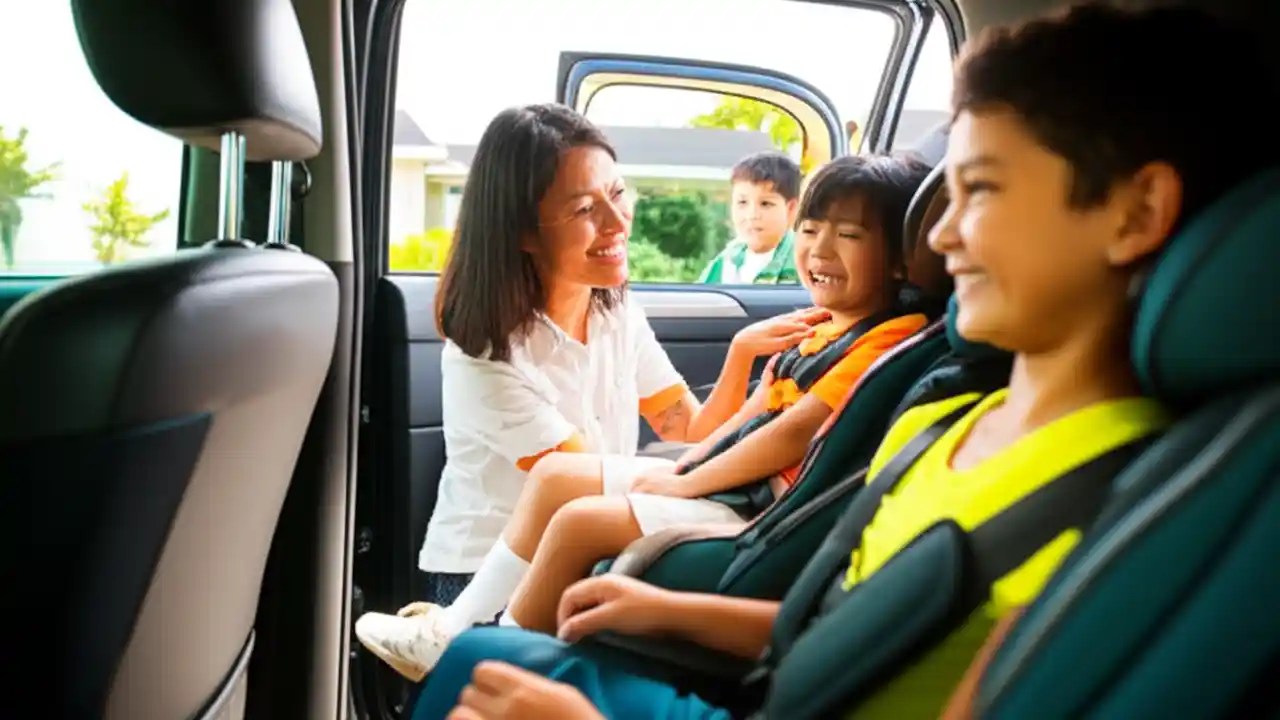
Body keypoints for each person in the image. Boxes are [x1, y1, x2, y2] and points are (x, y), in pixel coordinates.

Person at [406, 3, 1278, 719]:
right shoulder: (950, 415)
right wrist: (675, 608)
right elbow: (855, 623)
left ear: (1135, 214)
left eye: (981, 190)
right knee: (481, 658)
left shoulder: (1132, 497)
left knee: (475, 672)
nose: (936, 238)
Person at [357, 153, 932, 679]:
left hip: (764, 505)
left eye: (849, 235)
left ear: (904, 262)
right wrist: (688, 470)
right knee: (559, 479)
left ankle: (486, 663)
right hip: (490, 546)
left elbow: (781, 433)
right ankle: (459, 634)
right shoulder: (817, 333)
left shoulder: (884, 341)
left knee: (579, 518)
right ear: (525, 233)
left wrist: (688, 473)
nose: (819, 249)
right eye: (808, 230)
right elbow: (749, 419)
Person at [416, 104, 827, 609]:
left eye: (616, 194)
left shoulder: (613, 308)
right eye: (585, 210)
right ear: (523, 232)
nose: (618, 223)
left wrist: (744, 358)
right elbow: (577, 485)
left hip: (577, 544)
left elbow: (686, 427)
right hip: (488, 573)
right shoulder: (481, 357)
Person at [698, 152, 802, 284]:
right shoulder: (726, 261)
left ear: (791, 209)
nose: (752, 215)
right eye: (742, 203)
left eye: (765, 204)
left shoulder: (802, 263)